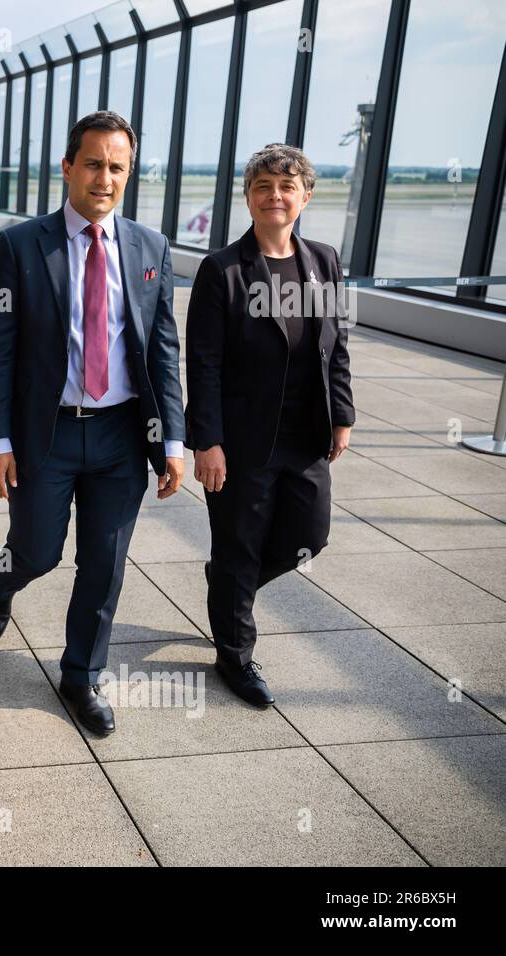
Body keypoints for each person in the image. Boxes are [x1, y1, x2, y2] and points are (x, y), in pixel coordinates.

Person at [0, 111, 186, 737]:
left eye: (117, 167)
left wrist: (171, 438)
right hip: (49, 432)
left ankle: (81, 676)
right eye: (93, 163)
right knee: (39, 551)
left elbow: (163, 349)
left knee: (105, 561)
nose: (104, 177)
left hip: (123, 434)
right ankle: (4, 582)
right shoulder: (21, 245)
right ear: (67, 167)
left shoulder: (150, 248)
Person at [186, 143, 354, 708]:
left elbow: (336, 345)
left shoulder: (325, 261)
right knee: (240, 544)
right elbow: (202, 363)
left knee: (309, 537)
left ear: (305, 196)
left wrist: (343, 415)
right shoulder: (223, 270)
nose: (274, 196)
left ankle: (228, 590)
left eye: (286, 186)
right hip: (242, 441)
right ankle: (235, 654)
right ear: (248, 197)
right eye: (263, 186)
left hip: (306, 435)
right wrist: (206, 441)